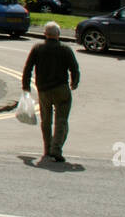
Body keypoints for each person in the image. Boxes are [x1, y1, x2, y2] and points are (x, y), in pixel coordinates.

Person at [21, 21, 80, 164]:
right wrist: (74, 82)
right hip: (62, 88)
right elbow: (74, 68)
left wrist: (26, 86)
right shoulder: (65, 49)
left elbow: (28, 68)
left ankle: (47, 150)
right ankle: (57, 148)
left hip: (44, 90)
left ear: (44, 34)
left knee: (46, 121)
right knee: (61, 120)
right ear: (58, 34)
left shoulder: (38, 48)